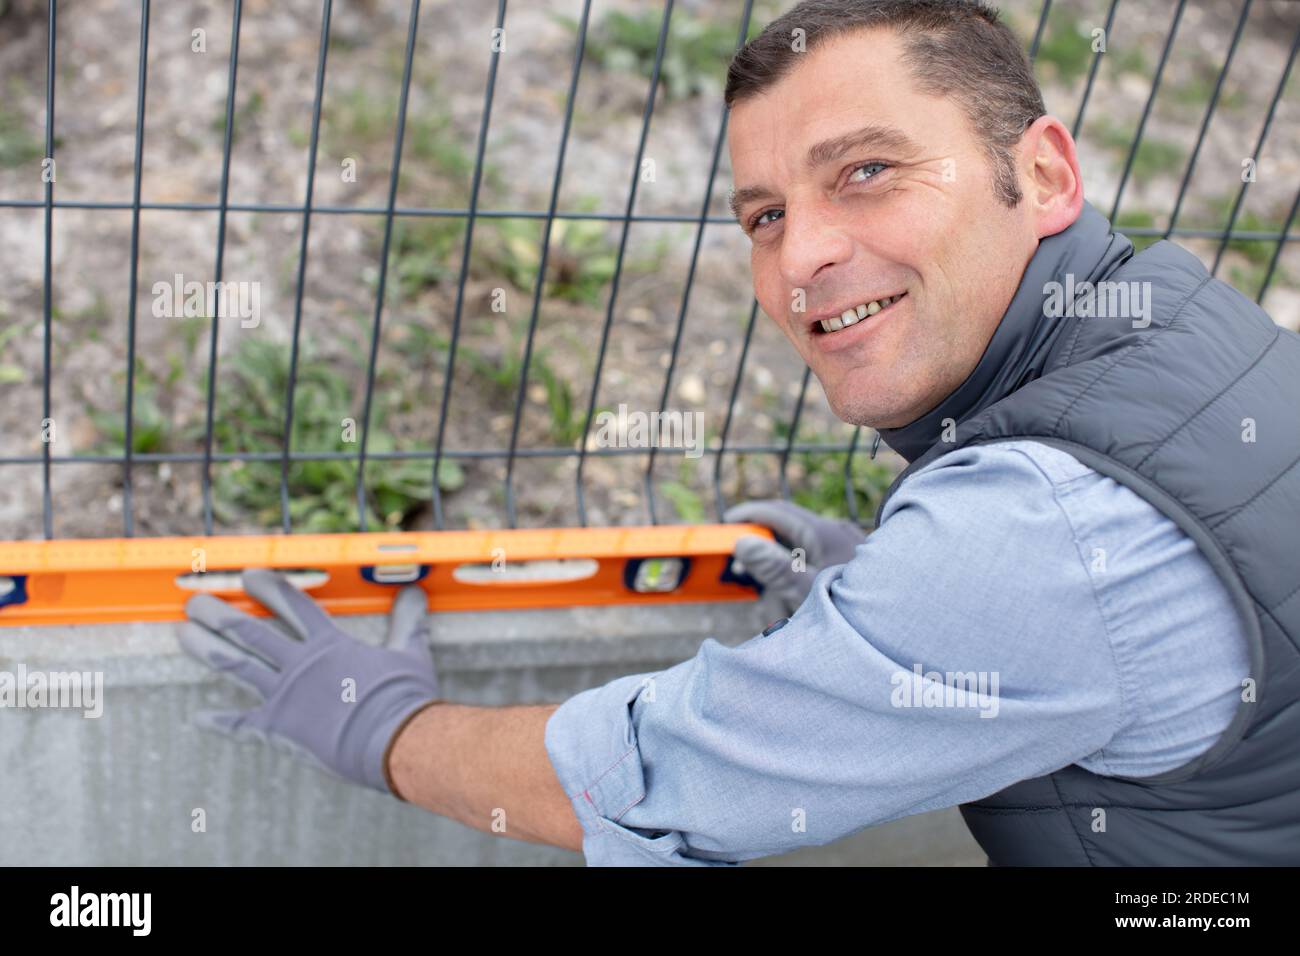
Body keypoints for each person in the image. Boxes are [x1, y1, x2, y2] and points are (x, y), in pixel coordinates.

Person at [179, 0, 1300, 865]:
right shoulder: (1172, 312)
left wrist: (381, 724)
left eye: (866, 170)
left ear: (1043, 171)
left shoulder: (1031, 542)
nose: (799, 255)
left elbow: (655, 778)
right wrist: (888, 604)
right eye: (764, 214)